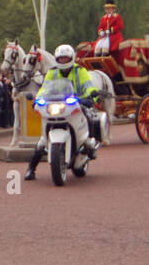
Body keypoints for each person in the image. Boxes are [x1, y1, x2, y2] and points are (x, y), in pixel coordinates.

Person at [24, 44, 100, 180]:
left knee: (88, 115)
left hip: (76, 102)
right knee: (42, 142)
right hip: (56, 103)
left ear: (71, 58)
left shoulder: (80, 71)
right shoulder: (52, 72)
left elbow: (87, 86)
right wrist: (38, 99)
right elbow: (44, 89)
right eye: (60, 59)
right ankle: (31, 168)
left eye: (65, 58)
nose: (63, 61)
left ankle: (89, 143)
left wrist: (90, 95)